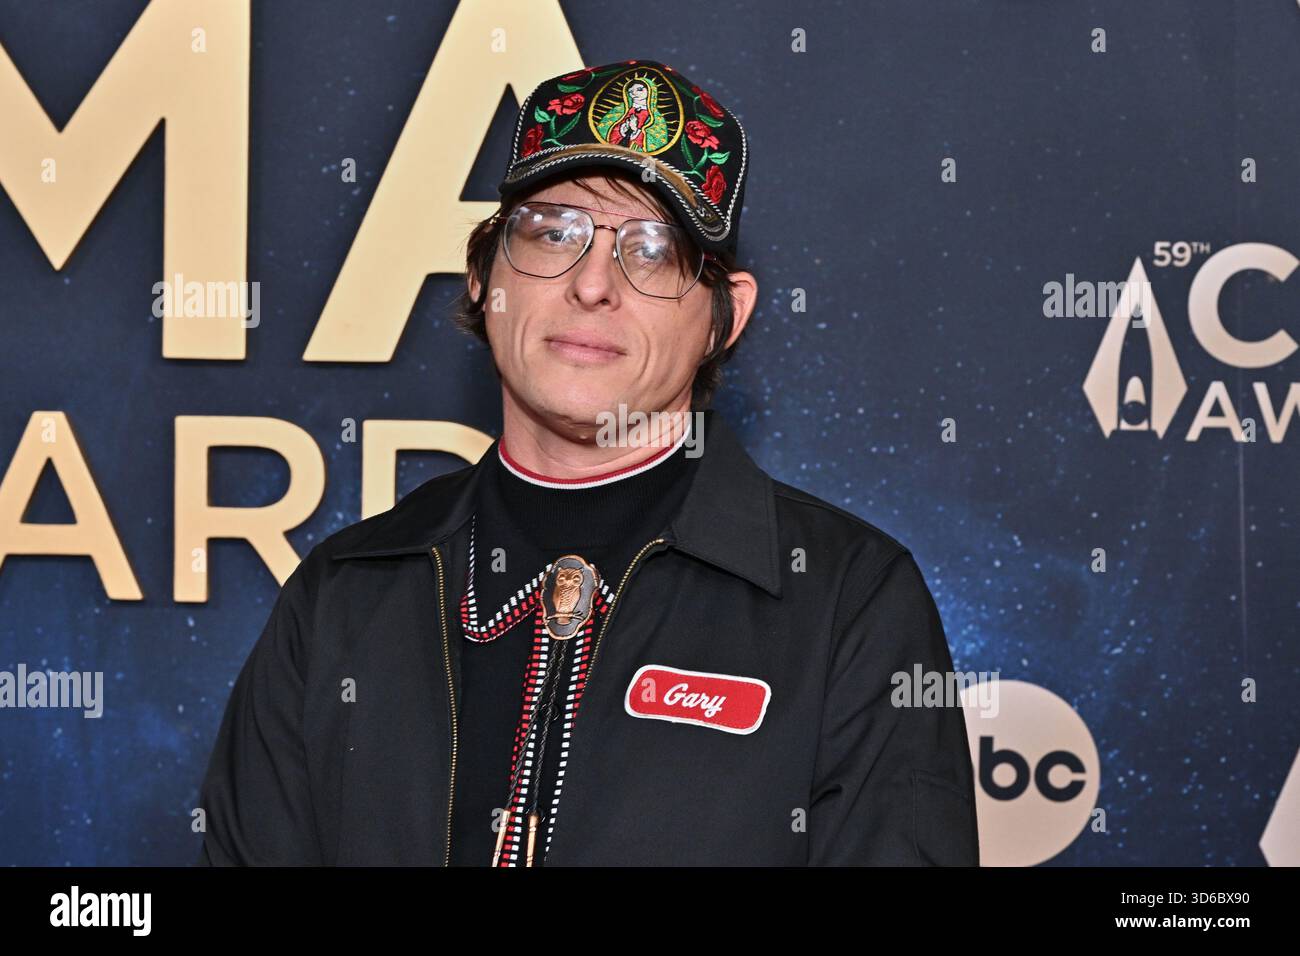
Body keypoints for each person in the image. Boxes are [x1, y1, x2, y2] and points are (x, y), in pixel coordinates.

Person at [196, 58, 979, 867]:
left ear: (725, 316)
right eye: (551, 232)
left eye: (654, 250)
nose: (593, 283)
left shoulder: (846, 599)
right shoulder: (344, 594)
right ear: (482, 276)